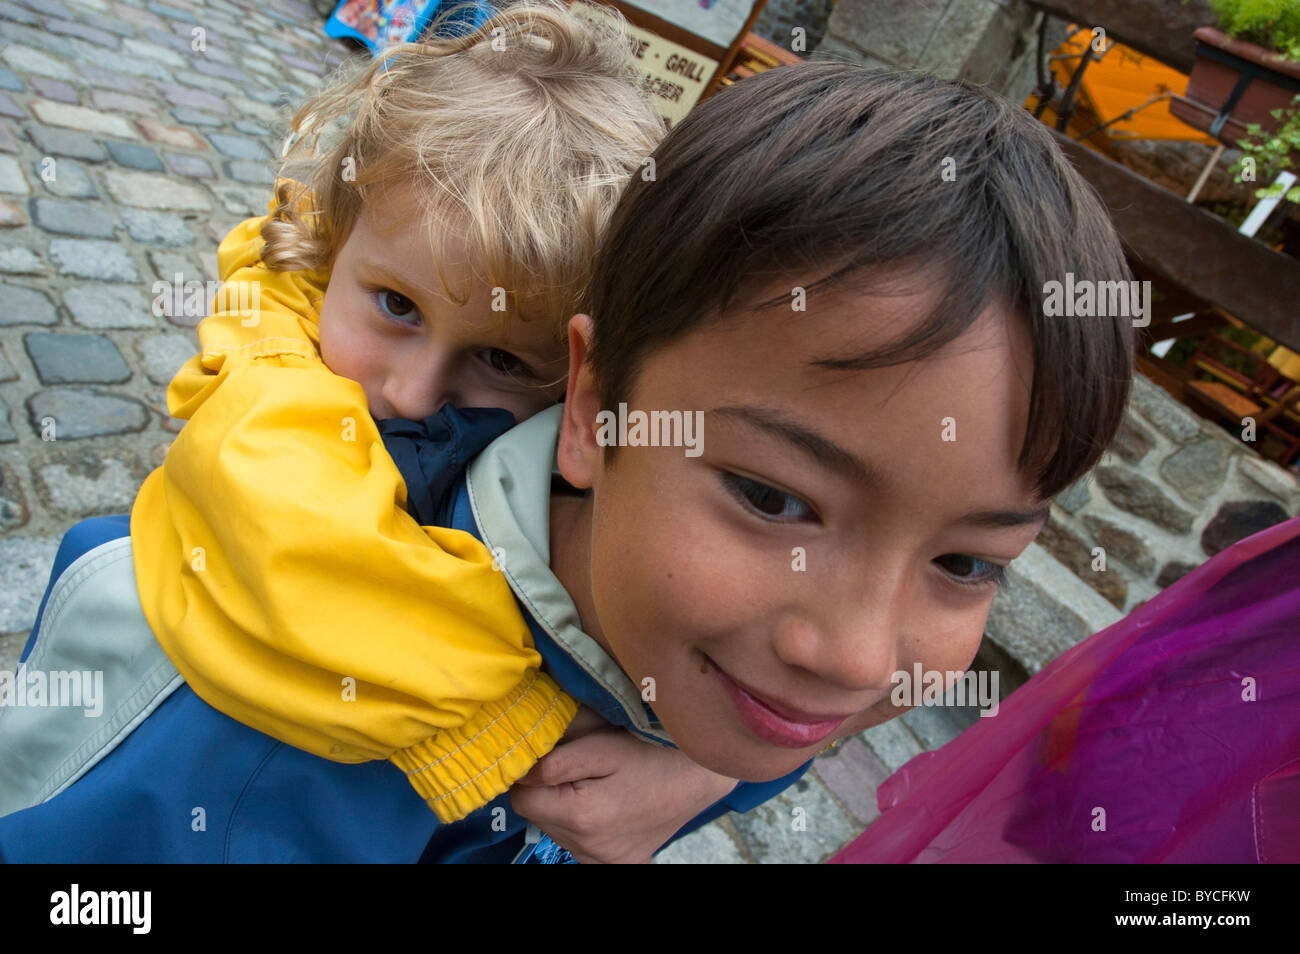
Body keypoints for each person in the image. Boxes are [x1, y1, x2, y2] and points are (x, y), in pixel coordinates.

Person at [0, 60, 1136, 863]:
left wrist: (720, 771)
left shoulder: (718, 673)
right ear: (591, 402)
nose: (847, 658)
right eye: (771, 497)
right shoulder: (269, 712)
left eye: (968, 565)